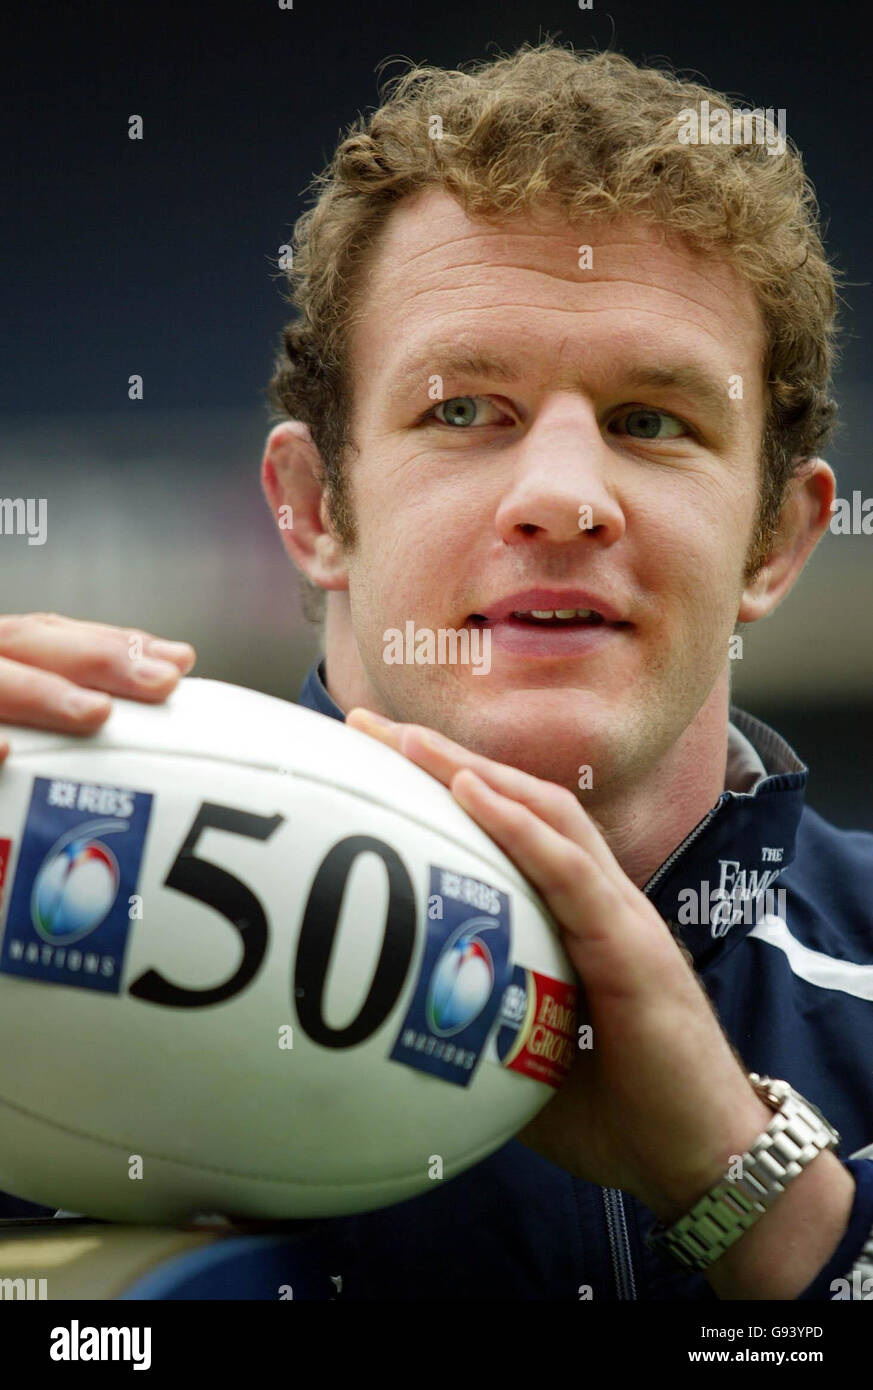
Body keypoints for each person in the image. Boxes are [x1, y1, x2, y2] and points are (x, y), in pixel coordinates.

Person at [1, 41, 871, 1300]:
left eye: (651, 420)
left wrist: (760, 1197)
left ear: (778, 538)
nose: (564, 498)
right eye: (464, 409)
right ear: (312, 508)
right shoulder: (31, 905)